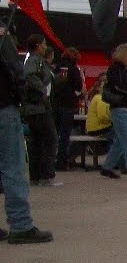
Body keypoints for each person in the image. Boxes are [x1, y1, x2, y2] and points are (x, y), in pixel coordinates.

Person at [0, 18, 53, 243]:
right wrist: (20, 95)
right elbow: (15, 70)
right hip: (2, 103)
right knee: (13, 164)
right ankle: (21, 224)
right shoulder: (3, 35)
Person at [99, 44, 127, 181]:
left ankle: (107, 167)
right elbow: (120, 86)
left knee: (120, 141)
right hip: (121, 109)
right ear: (122, 55)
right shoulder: (114, 70)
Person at [22, 35, 61, 187]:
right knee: (50, 140)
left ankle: (36, 176)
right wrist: (42, 89)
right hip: (39, 107)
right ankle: (47, 175)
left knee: (37, 142)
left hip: (35, 108)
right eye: (44, 44)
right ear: (38, 46)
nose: (46, 47)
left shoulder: (36, 61)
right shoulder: (35, 61)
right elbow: (29, 75)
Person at [53, 47, 85, 171]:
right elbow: (78, 86)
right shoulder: (74, 70)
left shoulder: (57, 68)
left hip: (56, 104)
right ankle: (62, 161)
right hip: (69, 105)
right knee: (65, 134)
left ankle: (52, 159)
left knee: (55, 133)